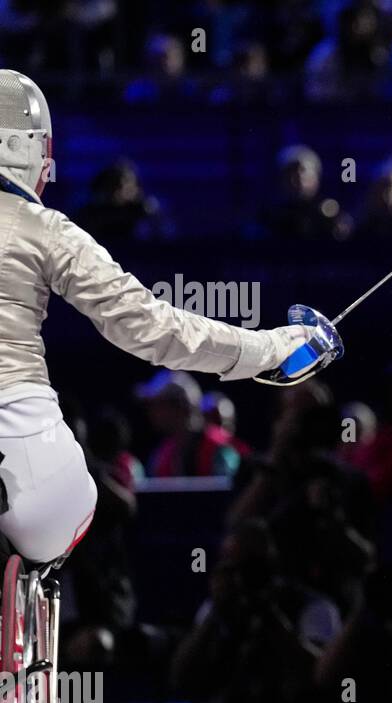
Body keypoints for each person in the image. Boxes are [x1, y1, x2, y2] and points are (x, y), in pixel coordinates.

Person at [0, 70, 309, 564]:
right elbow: (150, 328)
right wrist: (272, 351)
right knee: (66, 514)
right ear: (27, 149)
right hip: (14, 420)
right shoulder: (43, 229)